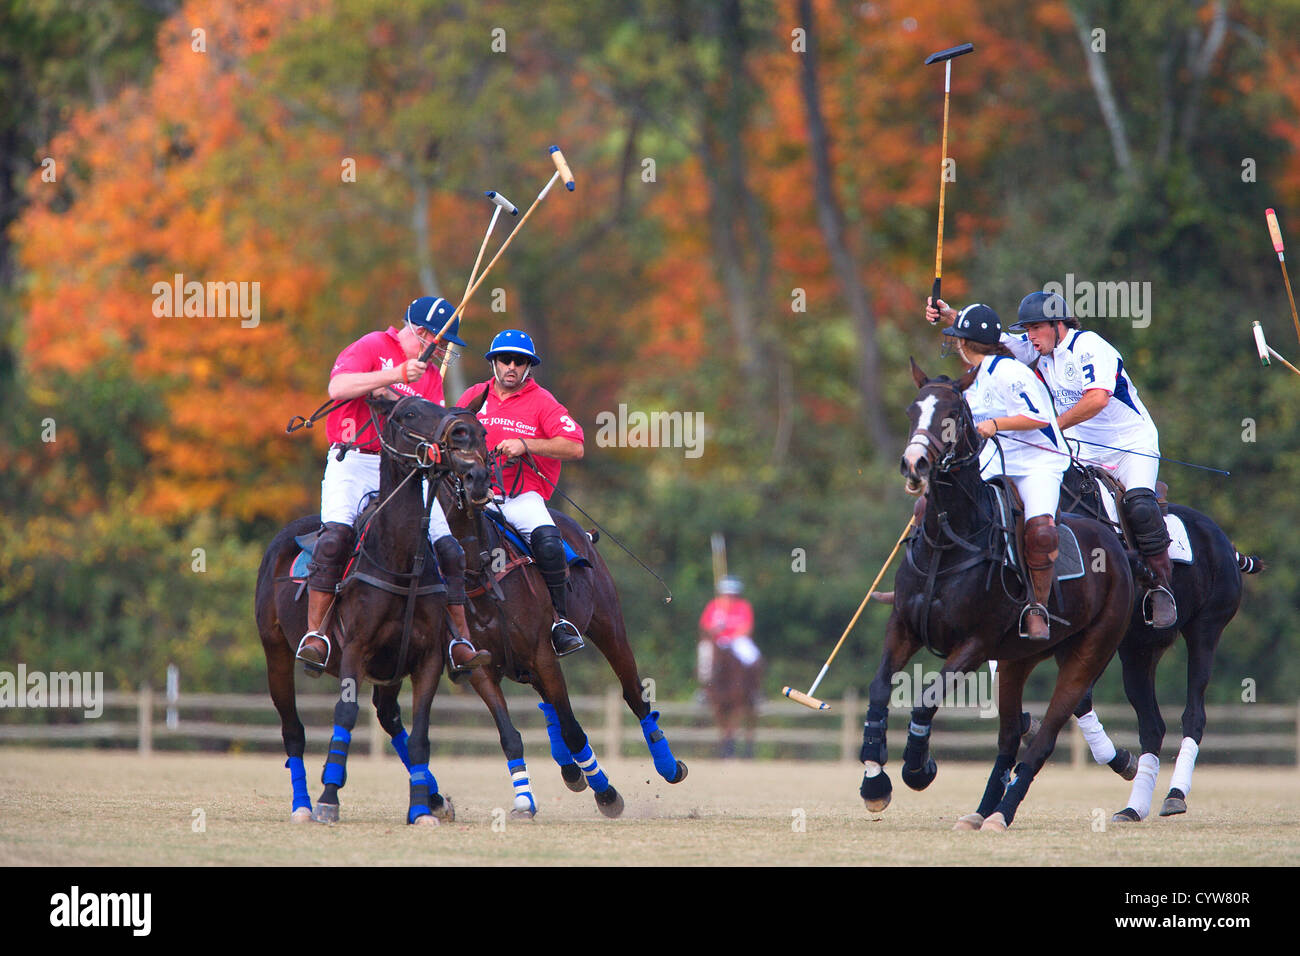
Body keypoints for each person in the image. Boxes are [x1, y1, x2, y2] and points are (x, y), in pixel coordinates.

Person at [929, 292, 1175, 627]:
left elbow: (1097, 400)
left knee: (1140, 506)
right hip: (1081, 447)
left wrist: (1051, 425)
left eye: (1036, 328)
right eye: (1027, 329)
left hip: (1129, 443)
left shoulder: (1089, 346)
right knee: (1073, 509)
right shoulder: (1039, 349)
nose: (1030, 336)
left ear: (1058, 325)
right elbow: (990, 338)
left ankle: (1160, 587)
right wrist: (950, 316)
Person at [297, 296, 491, 675]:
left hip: (406, 473)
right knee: (335, 537)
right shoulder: (372, 346)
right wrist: (396, 375)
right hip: (353, 461)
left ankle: (460, 642)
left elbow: (432, 432)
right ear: (421, 333)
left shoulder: (431, 376)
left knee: (449, 549)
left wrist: (438, 453)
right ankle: (316, 634)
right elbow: (339, 387)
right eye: (440, 341)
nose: (443, 352)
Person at [937, 303, 1070, 639]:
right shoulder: (972, 380)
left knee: (1040, 532)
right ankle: (930, 586)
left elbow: (1039, 417)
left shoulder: (1008, 371)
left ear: (963, 344)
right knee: (947, 508)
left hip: (1038, 463)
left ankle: (1037, 608)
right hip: (997, 462)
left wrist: (994, 424)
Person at [456, 329, 587, 656]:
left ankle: (560, 620)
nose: (512, 366)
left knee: (547, 538)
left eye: (520, 361)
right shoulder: (474, 395)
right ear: (494, 363)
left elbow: (574, 446)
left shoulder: (542, 401)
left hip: (520, 496)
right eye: (505, 360)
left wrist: (525, 444)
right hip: (475, 497)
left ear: (529, 367)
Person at [697, 575, 762, 683]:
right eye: (726, 595)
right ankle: (704, 689)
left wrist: (731, 638)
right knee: (704, 652)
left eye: (732, 595)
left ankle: (755, 689)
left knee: (753, 657)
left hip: (737, 641)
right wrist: (715, 629)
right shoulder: (713, 606)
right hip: (716, 641)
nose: (729, 598)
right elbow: (704, 627)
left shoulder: (743, 606)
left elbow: (747, 628)